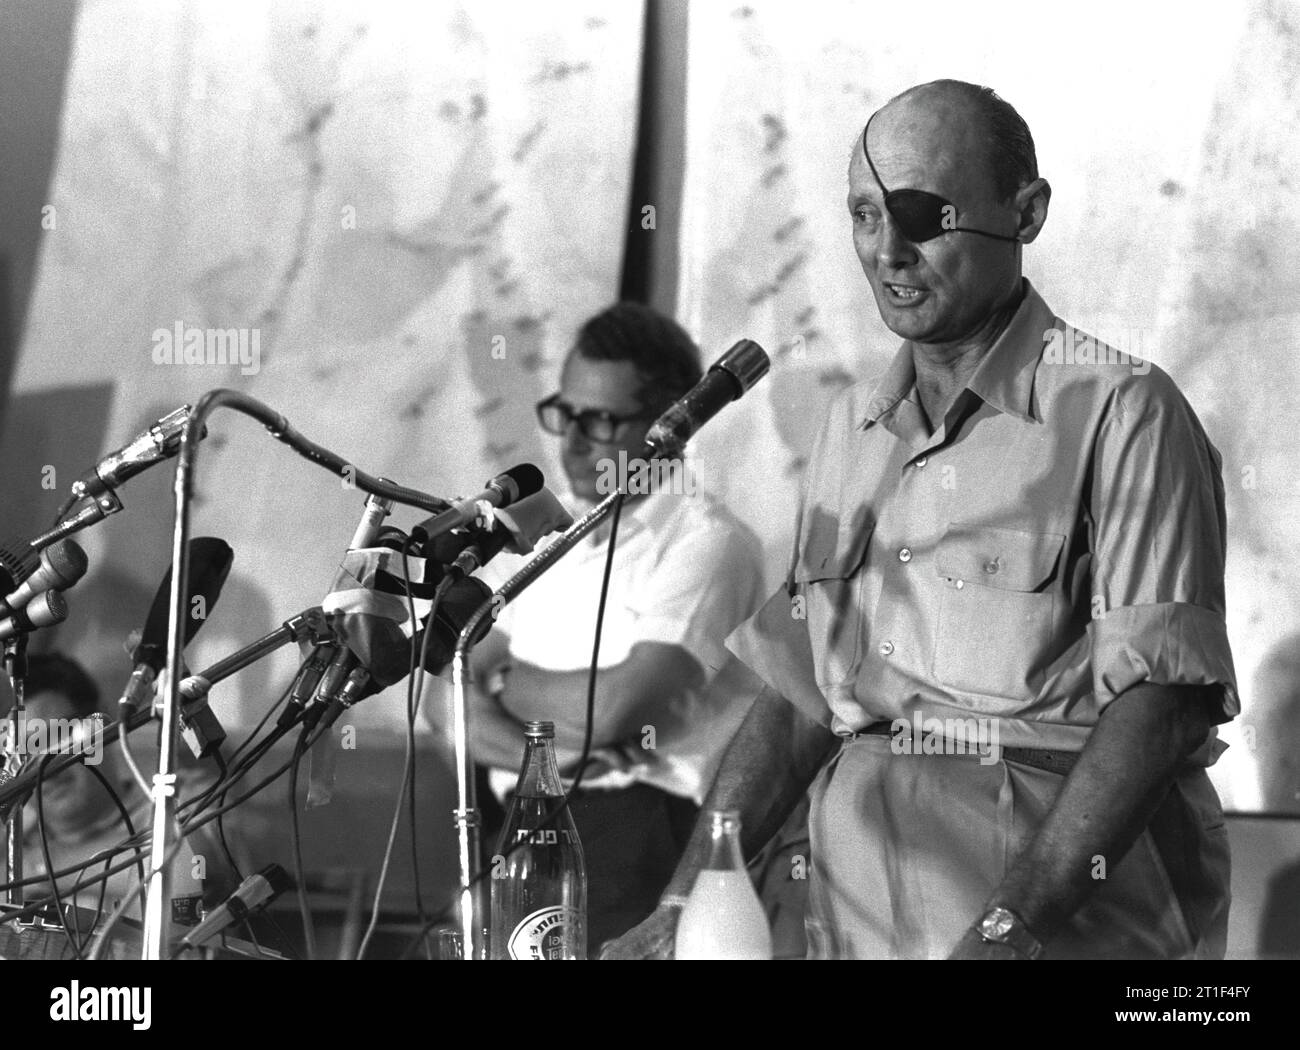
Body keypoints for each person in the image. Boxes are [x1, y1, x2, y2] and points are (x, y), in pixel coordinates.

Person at [604, 80, 1237, 960]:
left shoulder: (1123, 410)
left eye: (921, 213)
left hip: (1059, 930)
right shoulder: (848, 429)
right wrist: (679, 908)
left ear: (1027, 213)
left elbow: (1161, 709)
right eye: (865, 215)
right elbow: (796, 706)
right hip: (855, 919)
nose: (888, 250)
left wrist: (1010, 933)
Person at [448, 302, 768, 952]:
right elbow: (445, 695)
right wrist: (560, 757)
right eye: (564, 413)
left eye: (598, 419)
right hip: (517, 824)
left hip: (639, 834)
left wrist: (503, 679)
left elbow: (618, 708)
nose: (571, 440)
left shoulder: (707, 542)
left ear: (666, 424)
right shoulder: (553, 533)